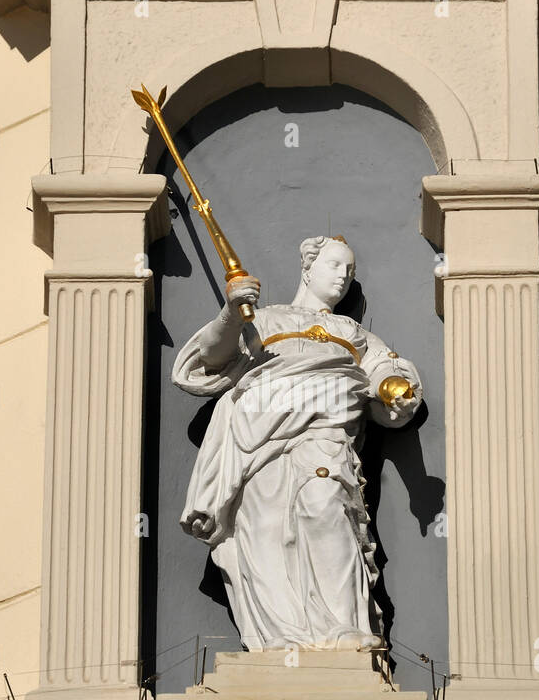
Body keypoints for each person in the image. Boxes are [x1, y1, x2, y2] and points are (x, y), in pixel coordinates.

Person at [172, 235, 422, 651]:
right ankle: (281, 636)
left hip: (323, 435)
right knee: (264, 528)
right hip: (257, 440)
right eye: (335, 265)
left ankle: (343, 627)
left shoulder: (352, 332)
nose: (343, 276)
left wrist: (393, 384)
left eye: (350, 271)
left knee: (325, 505)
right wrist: (231, 313)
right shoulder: (263, 320)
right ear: (307, 268)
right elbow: (207, 362)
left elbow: (386, 370)